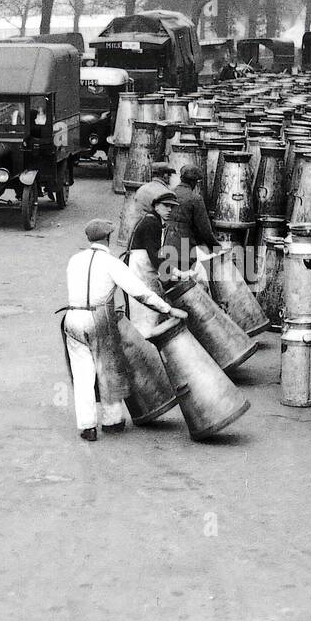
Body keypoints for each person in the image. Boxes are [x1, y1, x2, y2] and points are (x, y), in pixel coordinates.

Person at [60, 219, 185, 442]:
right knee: (108, 369)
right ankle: (112, 420)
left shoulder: (74, 260)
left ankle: (87, 426)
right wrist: (167, 308)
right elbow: (140, 292)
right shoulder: (111, 263)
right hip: (99, 318)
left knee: (82, 373)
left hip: (71, 317)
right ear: (107, 238)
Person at [125, 190, 182, 336]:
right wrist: (174, 274)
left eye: (172, 207)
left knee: (147, 308)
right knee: (147, 310)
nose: (169, 210)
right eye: (166, 206)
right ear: (156, 206)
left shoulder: (153, 220)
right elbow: (155, 256)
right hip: (141, 268)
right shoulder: (152, 223)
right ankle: (146, 345)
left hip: (142, 266)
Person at [171, 164, 217, 285]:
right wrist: (216, 247)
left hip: (166, 245)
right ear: (194, 182)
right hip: (184, 250)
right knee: (185, 287)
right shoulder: (195, 199)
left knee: (170, 284)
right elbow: (204, 229)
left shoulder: (170, 193)